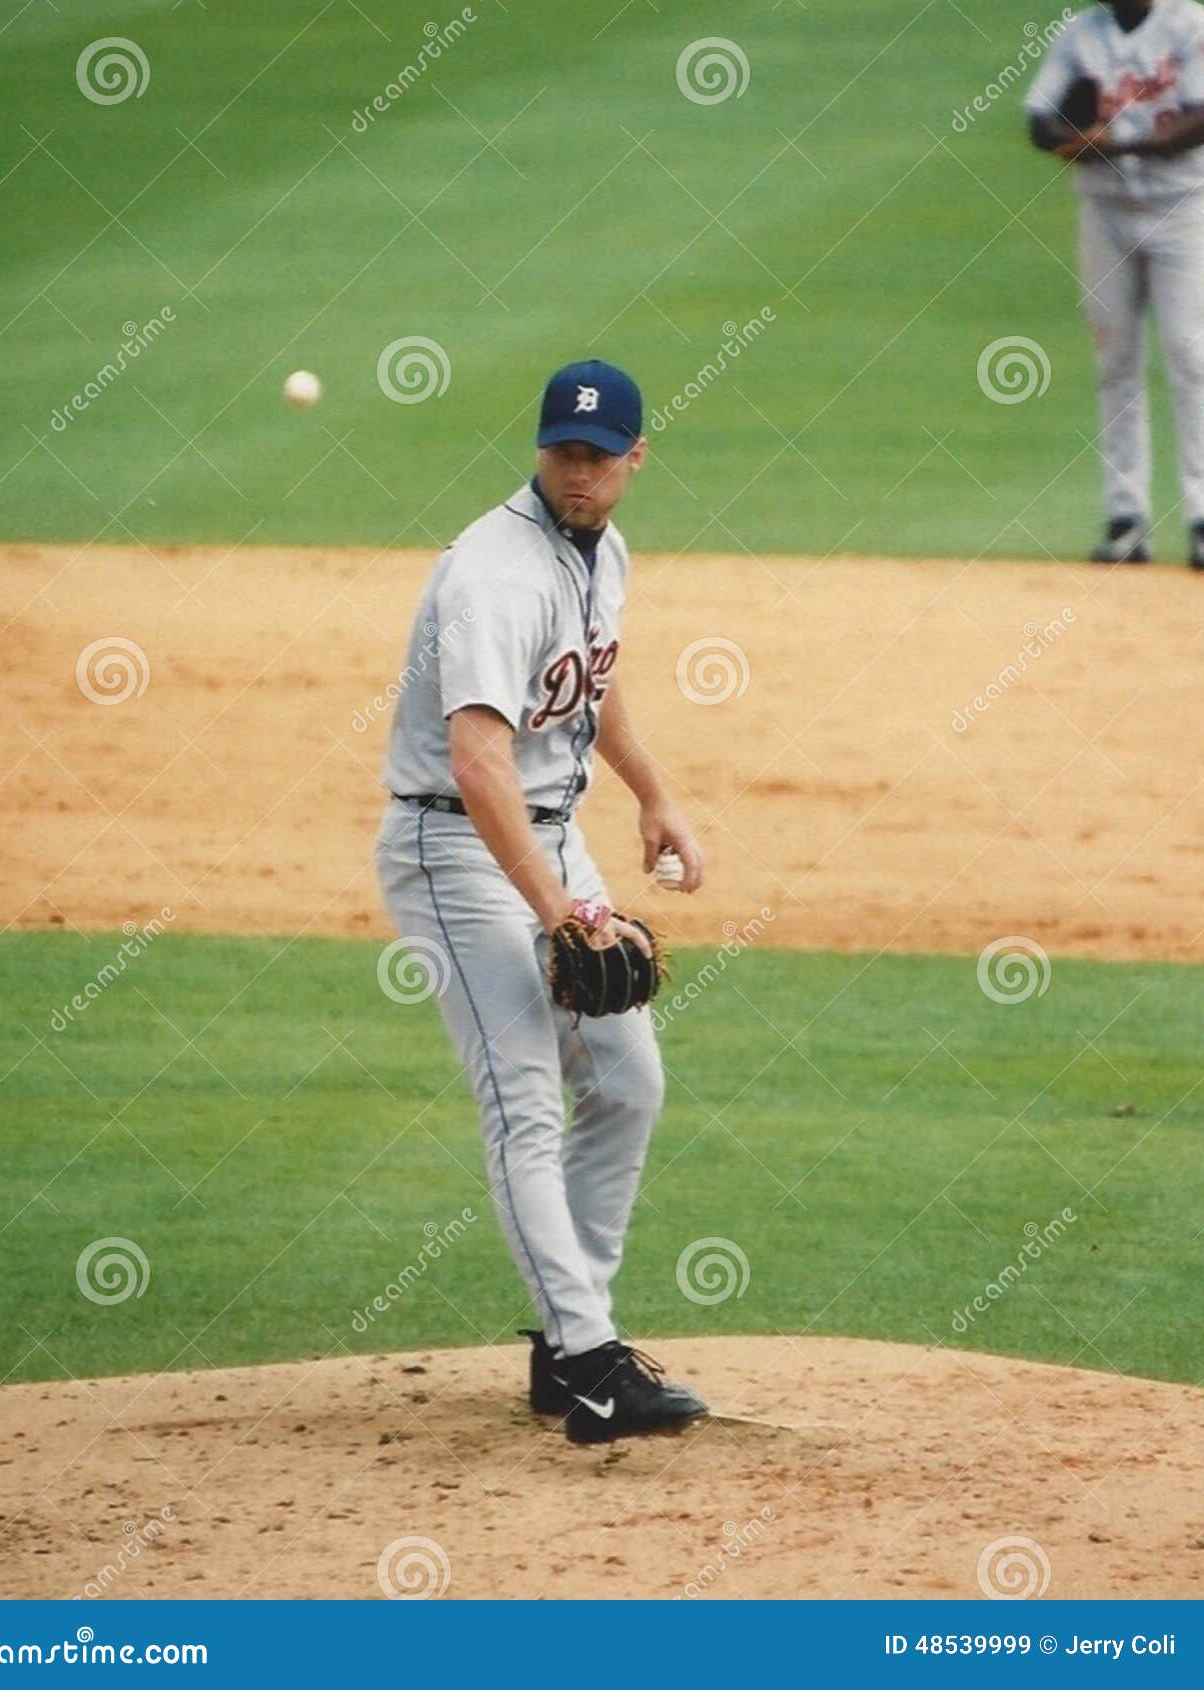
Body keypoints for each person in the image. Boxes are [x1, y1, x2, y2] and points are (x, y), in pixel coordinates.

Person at [374, 359, 710, 1444]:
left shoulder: (602, 551)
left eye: (599, 455)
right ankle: (590, 1358)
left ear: (633, 459)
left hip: (547, 840)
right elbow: (477, 762)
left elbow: (589, 690)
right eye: (563, 451)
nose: (579, 471)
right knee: (522, 1100)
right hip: (454, 846)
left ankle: (569, 1342)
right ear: (538, 449)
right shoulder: (492, 574)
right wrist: (557, 908)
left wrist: (654, 795)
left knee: (626, 1080)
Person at [1025, 0, 1204, 567]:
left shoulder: (1190, 26)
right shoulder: (1081, 34)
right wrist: (1069, 136)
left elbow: (1198, 123)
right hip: (1105, 213)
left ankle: (1202, 520)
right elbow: (1038, 120)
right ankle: (1126, 521)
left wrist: (1116, 145)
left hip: (1183, 208)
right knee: (1116, 360)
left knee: (1191, 356)